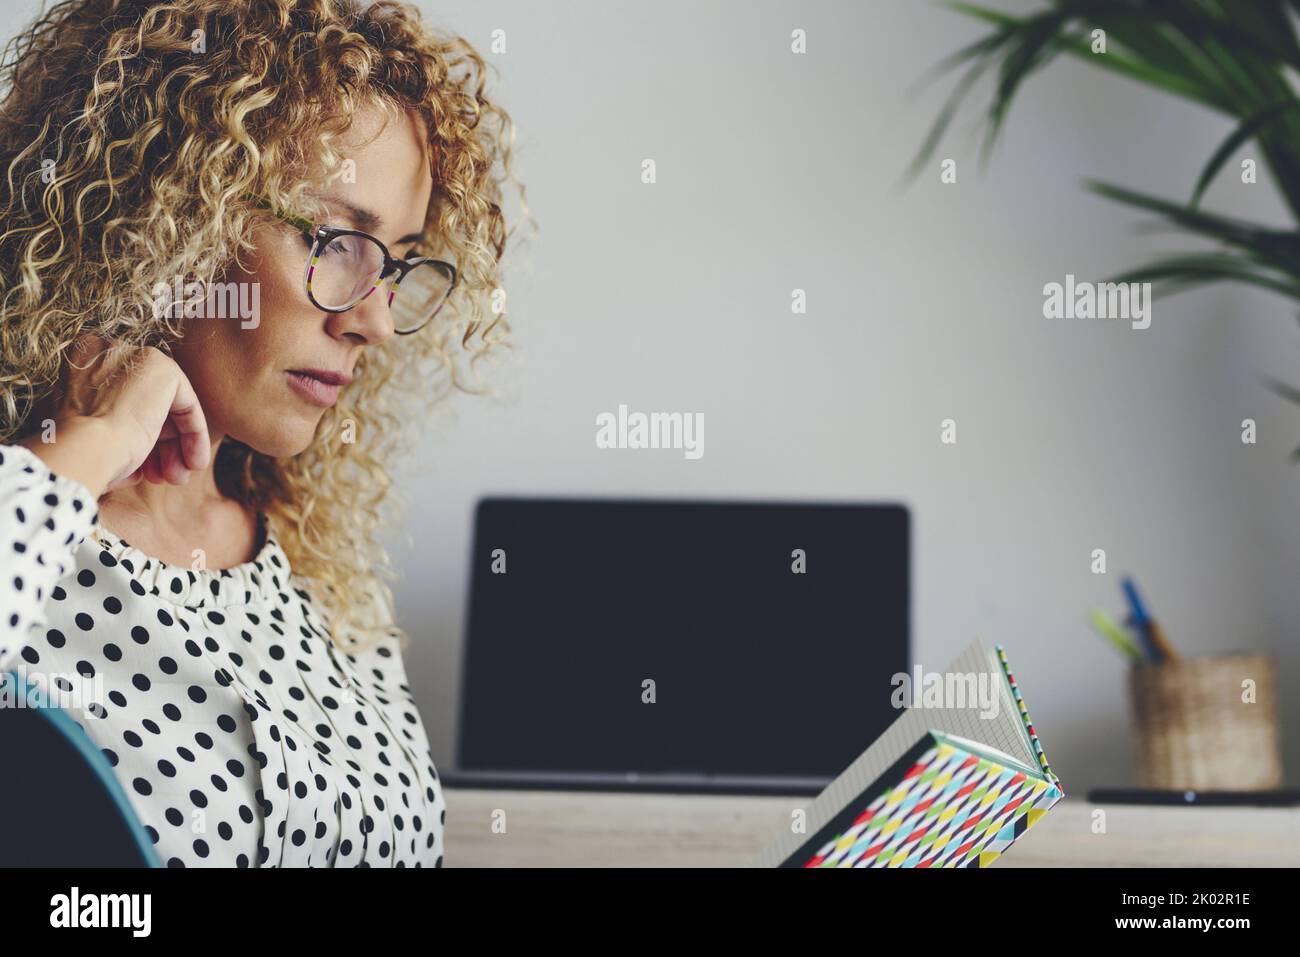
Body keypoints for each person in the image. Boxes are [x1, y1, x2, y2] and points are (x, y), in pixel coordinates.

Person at [0, 0, 522, 867]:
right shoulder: (32, 530)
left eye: (395, 261)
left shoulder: (326, 567)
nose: (377, 321)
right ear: (164, 206)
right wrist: (85, 447)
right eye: (334, 239)